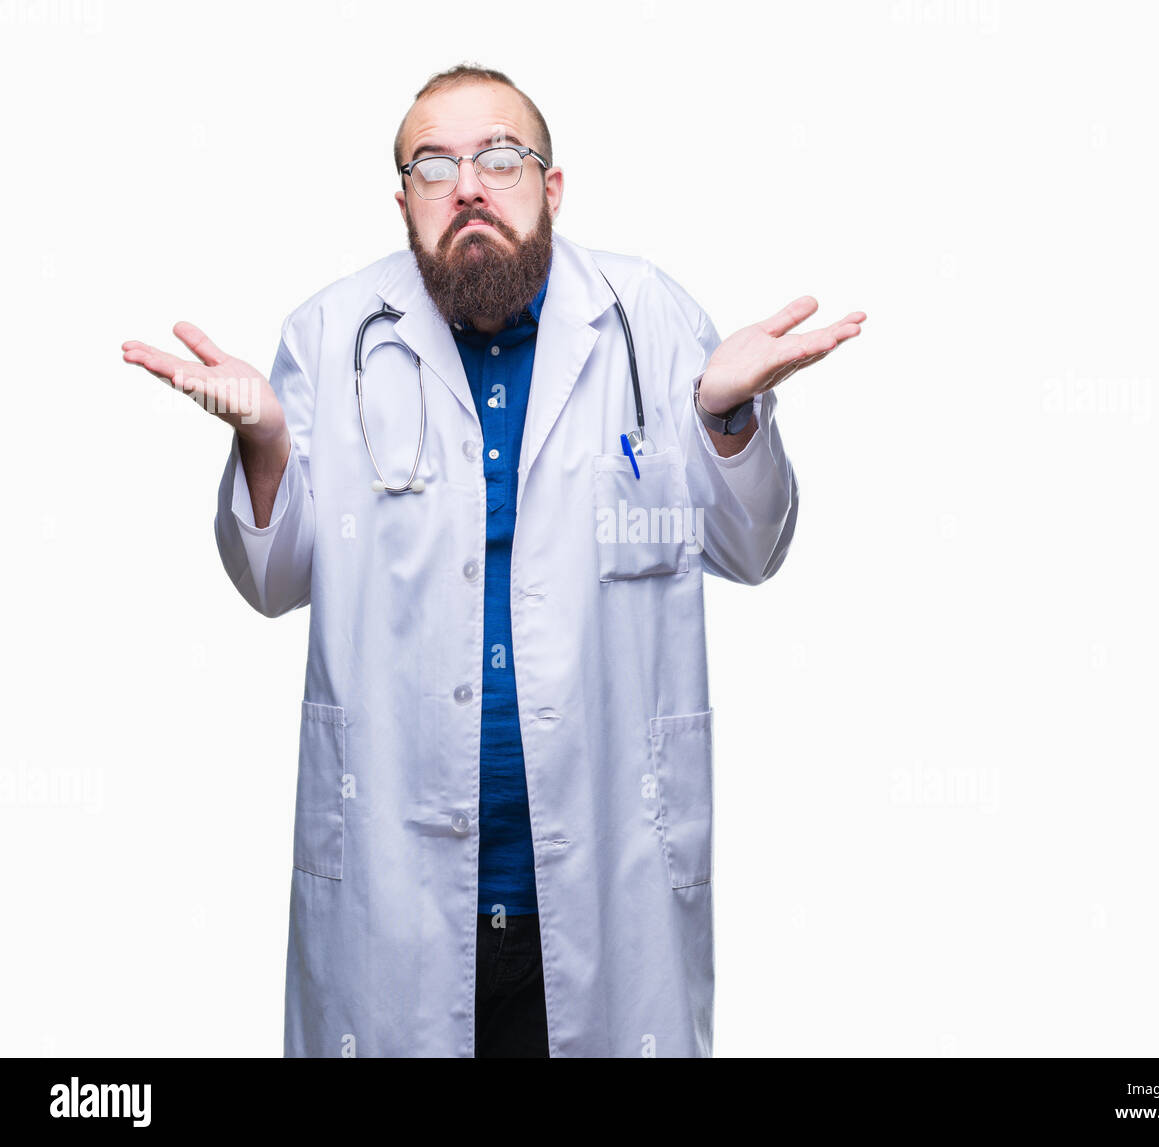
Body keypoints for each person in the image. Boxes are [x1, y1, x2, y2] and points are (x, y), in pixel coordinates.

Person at [121, 63, 864, 1058]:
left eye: (500, 157)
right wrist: (261, 439)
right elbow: (273, 580)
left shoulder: (647, 319)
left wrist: (725, 421)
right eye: (435, 165)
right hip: (395, 879)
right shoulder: (333, 333)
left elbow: (750, 545)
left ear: (551, 187)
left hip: (609, 867)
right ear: (405, 204)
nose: (469, 184)